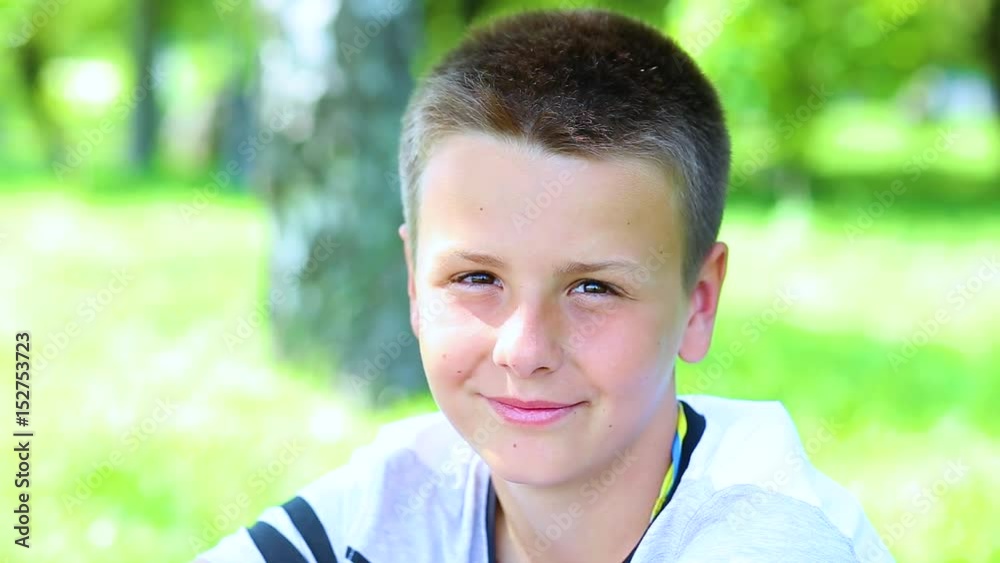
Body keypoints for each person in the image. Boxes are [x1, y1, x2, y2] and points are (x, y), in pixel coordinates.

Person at [196, 8, 892, 562]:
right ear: (414, 284)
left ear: (698, 302)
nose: (523, 348)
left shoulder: (778, 538)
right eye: (475, 278)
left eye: (592, 288)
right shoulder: (395, 498)